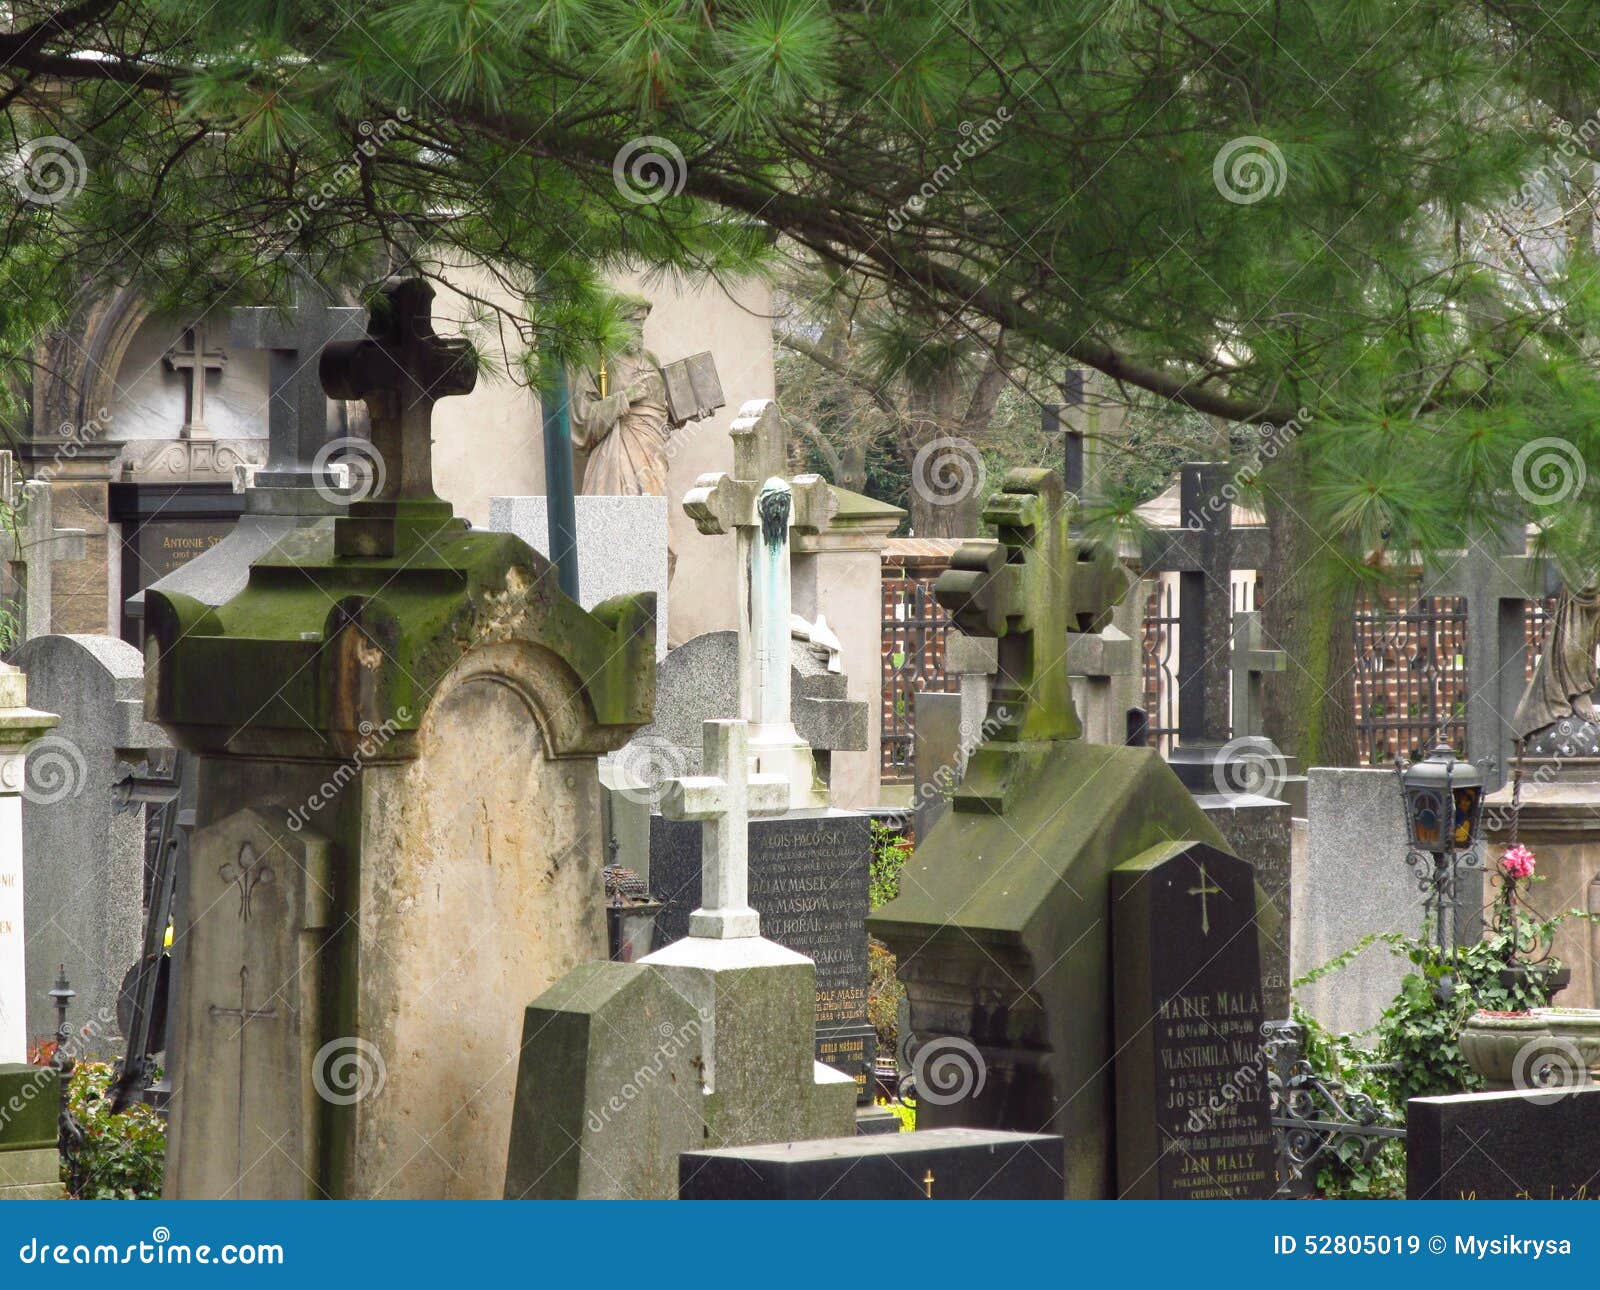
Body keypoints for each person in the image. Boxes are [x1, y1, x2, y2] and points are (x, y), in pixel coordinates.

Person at [570, 297, 671, 496]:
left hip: (653, 449)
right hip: (617, 452)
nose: (639, 329)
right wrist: (624, 398)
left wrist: (688, 413)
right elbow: (582, 419)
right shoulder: (597, 359)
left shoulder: (651, 360)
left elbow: (659, 414)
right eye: (633, 322)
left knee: (652, 507)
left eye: (641, 322)